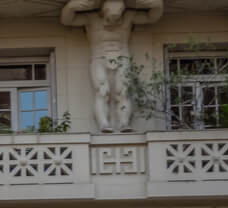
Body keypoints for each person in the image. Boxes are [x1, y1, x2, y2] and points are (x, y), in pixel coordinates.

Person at [60, 0, 164, 133]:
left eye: (118, 17)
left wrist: (156, 4)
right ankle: (104, 124)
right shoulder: (92, 19)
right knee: (102, 91)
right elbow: (67, 20)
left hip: (123, 58)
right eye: (111, 18)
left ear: (122, 12)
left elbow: (152, 17)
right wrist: (71, 6)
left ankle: (124, 123)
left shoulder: (128, 17)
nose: (114, 21)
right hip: (99, 58)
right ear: (104, 12)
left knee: (123, 92)